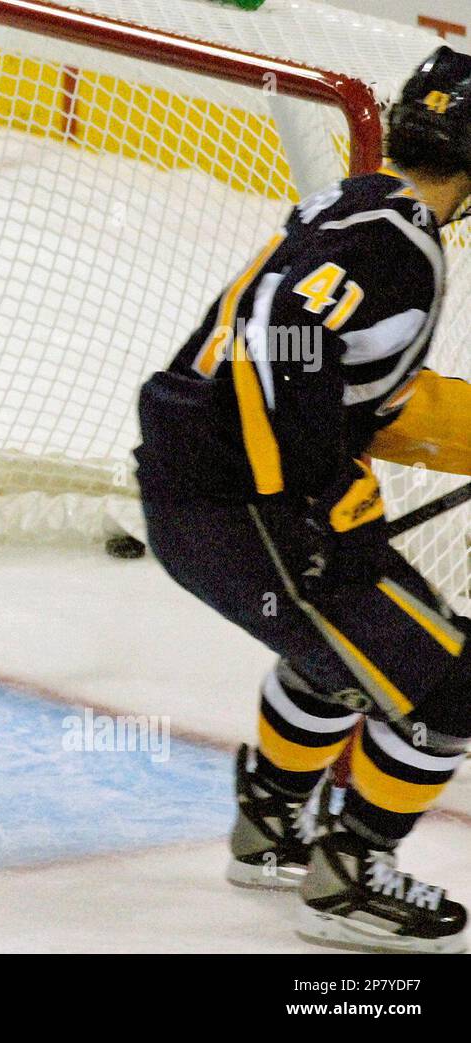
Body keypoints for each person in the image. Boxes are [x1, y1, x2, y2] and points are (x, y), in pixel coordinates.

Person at [135, 47, 471, 952]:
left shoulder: (360, 203)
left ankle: (271, 831)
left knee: (347, 653)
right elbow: (280, 335)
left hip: (202, 492)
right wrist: (312, 501)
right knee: (450, 684)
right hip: (243, 509)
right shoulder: (396, 244)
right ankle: (349, 878)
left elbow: (337, 373)